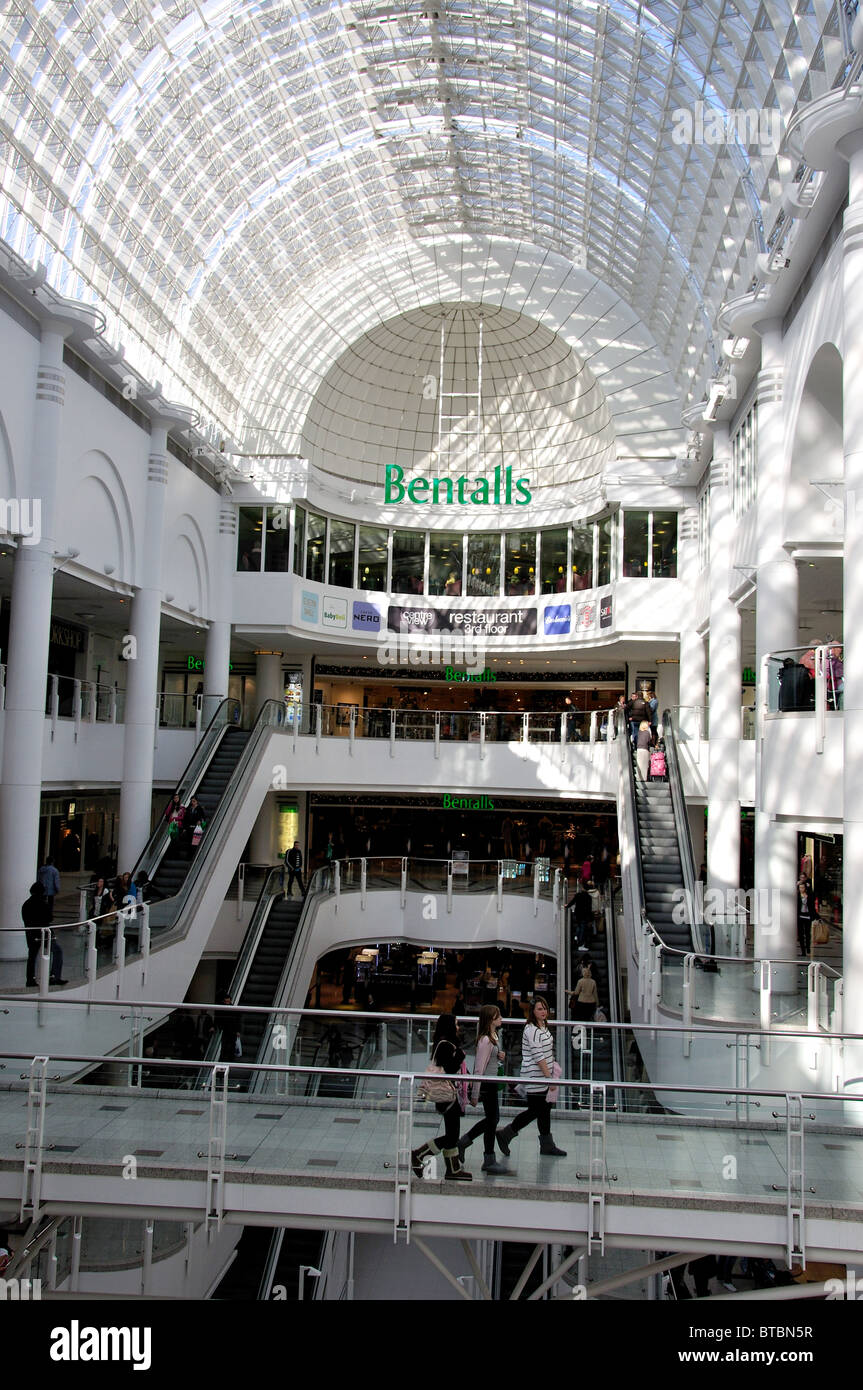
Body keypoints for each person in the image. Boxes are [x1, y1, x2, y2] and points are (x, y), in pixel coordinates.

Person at [496, 997, 567, 1158]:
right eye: (540, 1009)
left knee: (544, 1109)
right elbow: (538, 1055)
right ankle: (507, 1133)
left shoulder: (543, 1026)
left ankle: (547, 1144)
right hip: (535, 1076)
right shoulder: (531, 1029)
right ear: (533, 1012)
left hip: (543, 1075)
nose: (543, 1012)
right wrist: (549, 1079)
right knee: (536, 1110)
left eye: (545, 1008)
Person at [411, 1013, 471, 1181]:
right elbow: (449, 1069)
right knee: (452, 1135)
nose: (458, 1028)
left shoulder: (445, 1043)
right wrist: (459, 1056)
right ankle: (418, 1155)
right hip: (446, 1095)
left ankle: (453, 1169)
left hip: (449, 1095)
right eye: (456, 1024)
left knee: (452, 1133)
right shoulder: (445, 1045)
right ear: (450, 1026)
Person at [458, 1005, 509, 1174]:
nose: (501, 1018)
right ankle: (487, 1156)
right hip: (487, 1083)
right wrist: (474, 1094)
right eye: (498, 1015)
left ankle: (469, 1143)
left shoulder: (492, 1037)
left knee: (492, 1119)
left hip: (490, 1082)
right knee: (492, 1119)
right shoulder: (486, 1040)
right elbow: (479, 1068)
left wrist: (499, 1055)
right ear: (490, 1019)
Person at [22, 882, 66, 986]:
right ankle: (54, 976)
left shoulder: (26, 904)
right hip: (45, 934)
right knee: (57, 951)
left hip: (32, 934)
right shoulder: (43, 903)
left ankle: (30, 979)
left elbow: (26, 919)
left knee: (32, 957)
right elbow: (49, 918)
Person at [566, 882, 593, 951]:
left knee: (579, 926)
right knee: (582, 929)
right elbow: (589, 908)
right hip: (585, 915)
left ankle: (577, 937)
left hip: (577, 914)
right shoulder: (589, 897)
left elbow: (572, 902)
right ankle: (580, 944)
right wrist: (590, 919)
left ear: (582, 888)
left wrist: (567, 906)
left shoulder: (578, 895)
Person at [218, 993, 241, 1063]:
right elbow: (220, 1020)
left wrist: (237, 1031)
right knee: (224, 1046)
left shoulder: (233, 1009)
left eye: (228, 1001)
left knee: (231, 1046)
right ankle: (222, 1060)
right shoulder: (223, 1009)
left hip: (232, 1031)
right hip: (226, 1030)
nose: (227, 1003)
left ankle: (230, 1060)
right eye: (226, 1002)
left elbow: (237, 1020)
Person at [796, 874, 816, 956]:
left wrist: (816, 917)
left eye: (803, 887)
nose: (801, 889)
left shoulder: (809, 896)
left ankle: (808, 948)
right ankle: (803, 951)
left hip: (807, 916)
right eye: (800, 888)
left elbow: (812, 906)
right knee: (801, 935)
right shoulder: (797, 896)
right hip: (800, 916)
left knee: (808, 934)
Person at [37, 856, 60, 920]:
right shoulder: (54, 870)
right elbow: (56, 881)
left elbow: (38, 879)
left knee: (42, 902)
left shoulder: (41, 869)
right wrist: (57, 889)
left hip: (42, 889)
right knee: (50, 903)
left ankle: (42, 913)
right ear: (52, 862)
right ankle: (49, 914)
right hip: (51, 890)